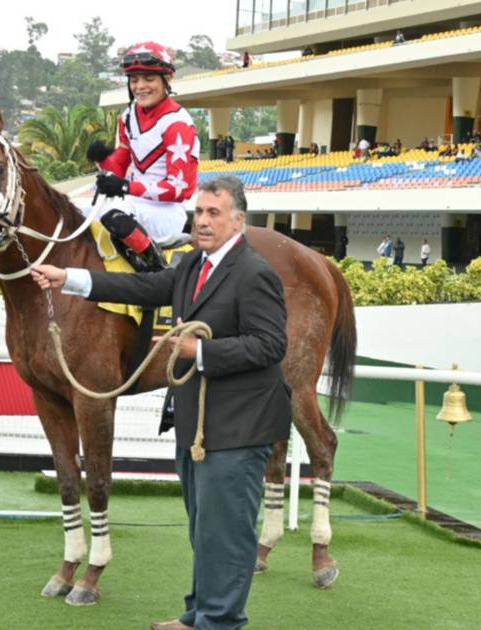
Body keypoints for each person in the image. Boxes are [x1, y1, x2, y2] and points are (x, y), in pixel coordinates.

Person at [31, 175, 290, 630]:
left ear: (238, 221)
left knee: (228, 535)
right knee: (203, 530)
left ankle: (219, 623)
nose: (202, 221)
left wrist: (201, 351)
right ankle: (197, 615)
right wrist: (69, 278)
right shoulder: (192, 265)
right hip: (198, 427)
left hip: (238, 428)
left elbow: (271, 346)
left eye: (214, 213)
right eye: (199, 211)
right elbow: (141, 289)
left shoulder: (255, 273)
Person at [85, 42, 199, 272]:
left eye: (149, 78)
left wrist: (125, 187)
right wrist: (102, 161)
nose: (140, 86)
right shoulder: (128, 117)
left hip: (166, 211)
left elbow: (180, 189)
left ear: (167, 79)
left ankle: (157, 270)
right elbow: (119, 166)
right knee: (80, 213)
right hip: (134, 203)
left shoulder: (178, 123)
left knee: (112, 214)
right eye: (134, 80)